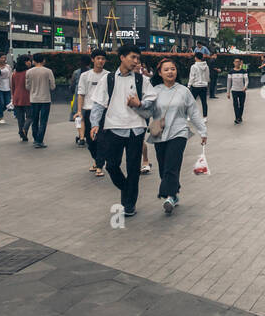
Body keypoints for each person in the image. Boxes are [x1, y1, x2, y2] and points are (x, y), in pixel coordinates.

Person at [88, 44, 158, 217]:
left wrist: (139, 103)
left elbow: (152, 101)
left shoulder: (142, 80)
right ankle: (128, 189)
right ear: (122, 57)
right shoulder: (109, 79)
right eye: (133, 57)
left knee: (134, 168)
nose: (136, 61)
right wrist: (95, 124)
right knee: (111, 165)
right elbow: (98, 103)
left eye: (138, 58)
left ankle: (129, 204)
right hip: (113, 128)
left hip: (136, 129)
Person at [146, 57, 206, 216]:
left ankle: (169, 196)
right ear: (160, 72)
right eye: (166, 69)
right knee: (163, 165)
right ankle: (174, 192)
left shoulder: (183, 91)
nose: (170, 72)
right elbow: (147, 111)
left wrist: (203, 131)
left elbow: (193, 112)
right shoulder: (154, 90)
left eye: (172, 69)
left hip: (179, 132)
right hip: (160, 133)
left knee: (172, 164)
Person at [77, 49, 110, 173]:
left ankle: (100, 165)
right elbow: (81, 94)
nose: (100, 61)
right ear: (93, 59)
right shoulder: (85, 76)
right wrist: (79, 111)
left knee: (101, 139)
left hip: (104, 111)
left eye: (103, 59)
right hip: (89, 110)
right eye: (98, 58)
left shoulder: (108, 76)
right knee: (90, 140)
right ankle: (96, 160)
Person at [25, 52, 56, 147]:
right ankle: (39, 140)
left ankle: (35, 138)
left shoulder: (29, 72)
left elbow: (27, 86)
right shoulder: (48, 71)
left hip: (33, 99)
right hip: (45, 99)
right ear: (43, 60)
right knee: (43, 120)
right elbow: (53, 86)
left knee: (35, 119)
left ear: (34, 61)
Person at [11, 55, 33, 144]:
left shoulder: (14, 73)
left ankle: (23, 136)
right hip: (27, 96)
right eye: (28, 61)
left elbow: (12, 86)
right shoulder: (28, 73)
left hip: (17, 97)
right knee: (30, 116)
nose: (30, 62)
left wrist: (13, 96)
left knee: (20, 118)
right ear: (25, 62)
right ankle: (24, 130)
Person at [228, 59, 248, 123]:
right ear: (233, 63)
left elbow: (246, 80)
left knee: (241, 104)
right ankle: (237, 118)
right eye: (235, 62)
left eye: (238, 62)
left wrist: (245, 87)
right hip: (234, 90)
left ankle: (240, 116)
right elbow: (229, 82)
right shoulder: (231, 71)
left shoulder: (243, 71)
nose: (237, 63)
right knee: (235, 104)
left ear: (240, 63)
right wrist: (228, 92)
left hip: (242, 90)